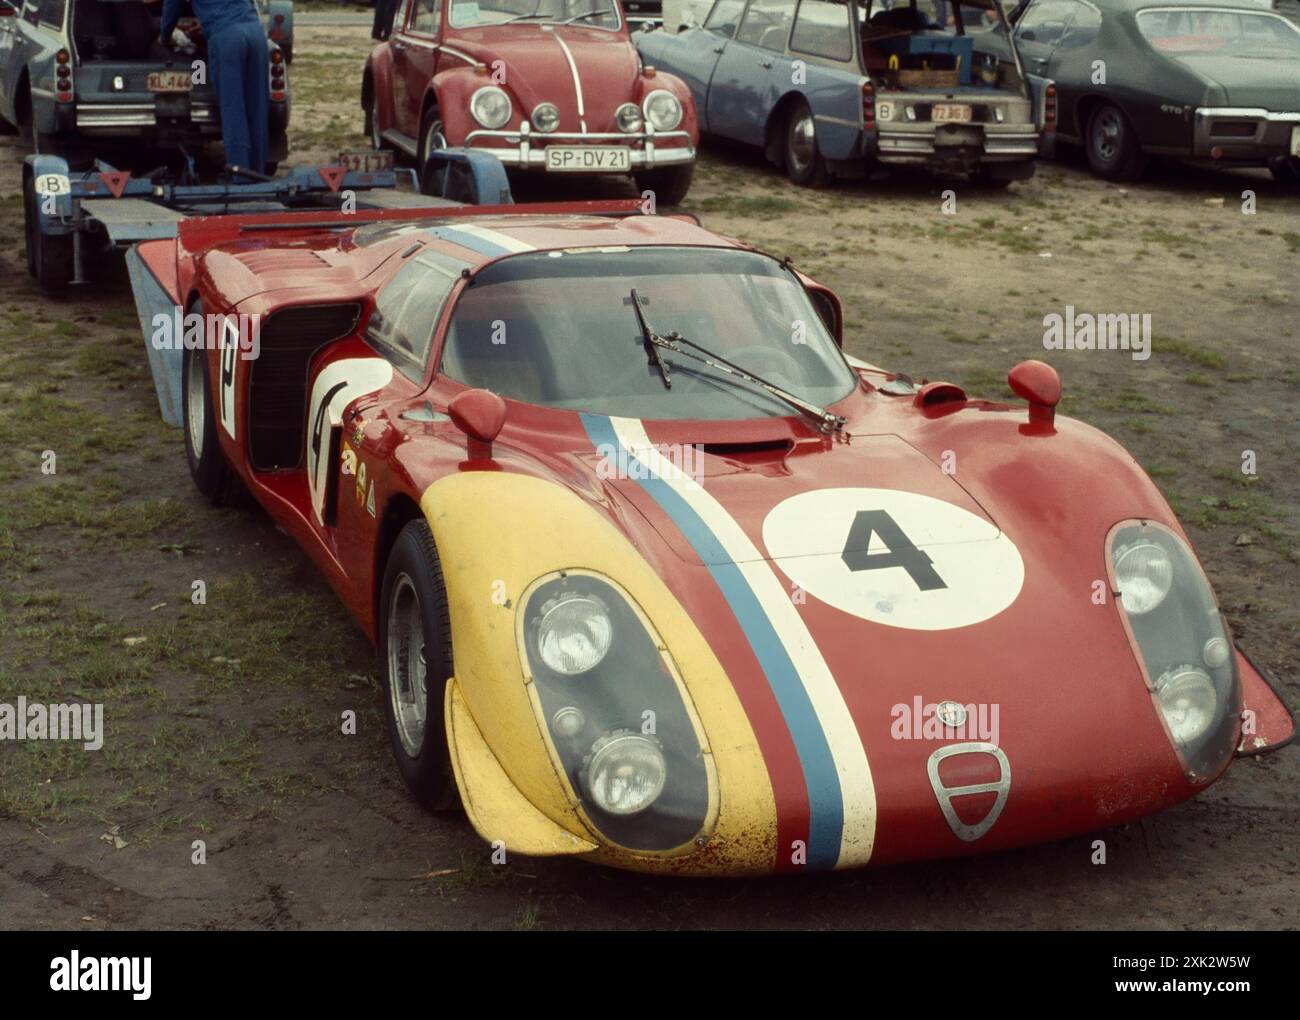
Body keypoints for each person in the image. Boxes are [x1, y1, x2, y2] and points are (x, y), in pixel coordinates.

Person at [159, 0, 270, 174]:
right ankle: (258, 174)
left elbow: (172, 5)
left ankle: (241, 176)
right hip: (255, 33)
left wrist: (164, 36)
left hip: (227, 37)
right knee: (257, 110)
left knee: (234, 110)